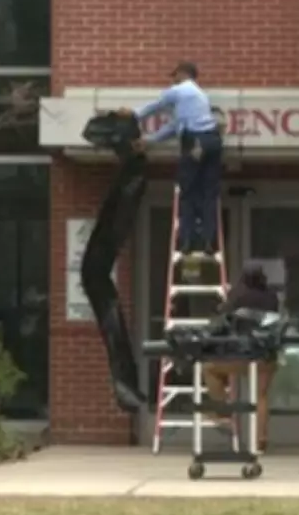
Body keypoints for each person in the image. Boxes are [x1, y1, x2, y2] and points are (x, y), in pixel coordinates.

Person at [117, 61, 223, 256]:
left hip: (195, 142)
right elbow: (174, 126)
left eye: (174, 76)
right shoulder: (199, 97)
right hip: (213, 141)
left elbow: (157, 104)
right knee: (208, 193)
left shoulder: (181, 90)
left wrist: (133, 114)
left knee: (188, 192)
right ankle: (209, 240)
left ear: (182, 74)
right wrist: (148, 141)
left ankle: (187, 242)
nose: (173, 80)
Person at [202, 264, 280, 453]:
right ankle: (261, 441)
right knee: (261, 396)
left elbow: (222, 316)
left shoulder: (238, 295)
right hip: (266, 356)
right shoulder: (272, 297)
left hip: (241, 356)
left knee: (209, 368)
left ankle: (223, 412)